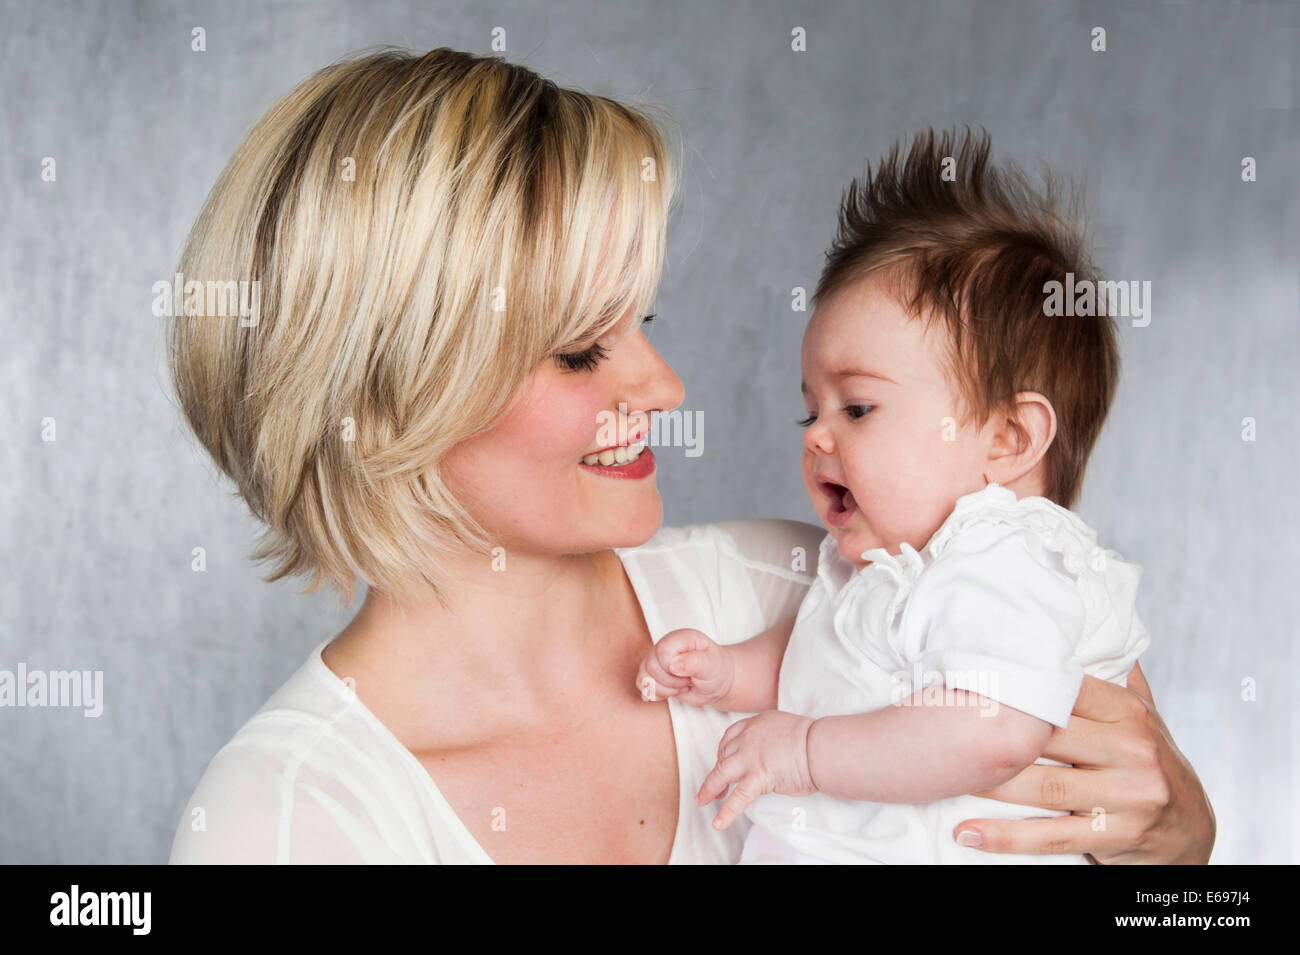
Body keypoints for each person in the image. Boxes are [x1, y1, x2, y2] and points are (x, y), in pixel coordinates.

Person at [165, 48, 1213, 864]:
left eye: (643, 321)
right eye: (581, 348)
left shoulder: (824, 581)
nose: (664, 387)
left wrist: (1180, 852)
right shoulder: (287, 814)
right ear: (386, 395)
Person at [637, 128, 1167, 864]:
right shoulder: (880, 568)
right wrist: (730, 671)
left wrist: (807, 753)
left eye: (856, 409)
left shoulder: (1005, 561)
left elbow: (990, 730)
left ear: (1008, 438)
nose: (817, 437)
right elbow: (824, 667)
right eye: (810, 411)